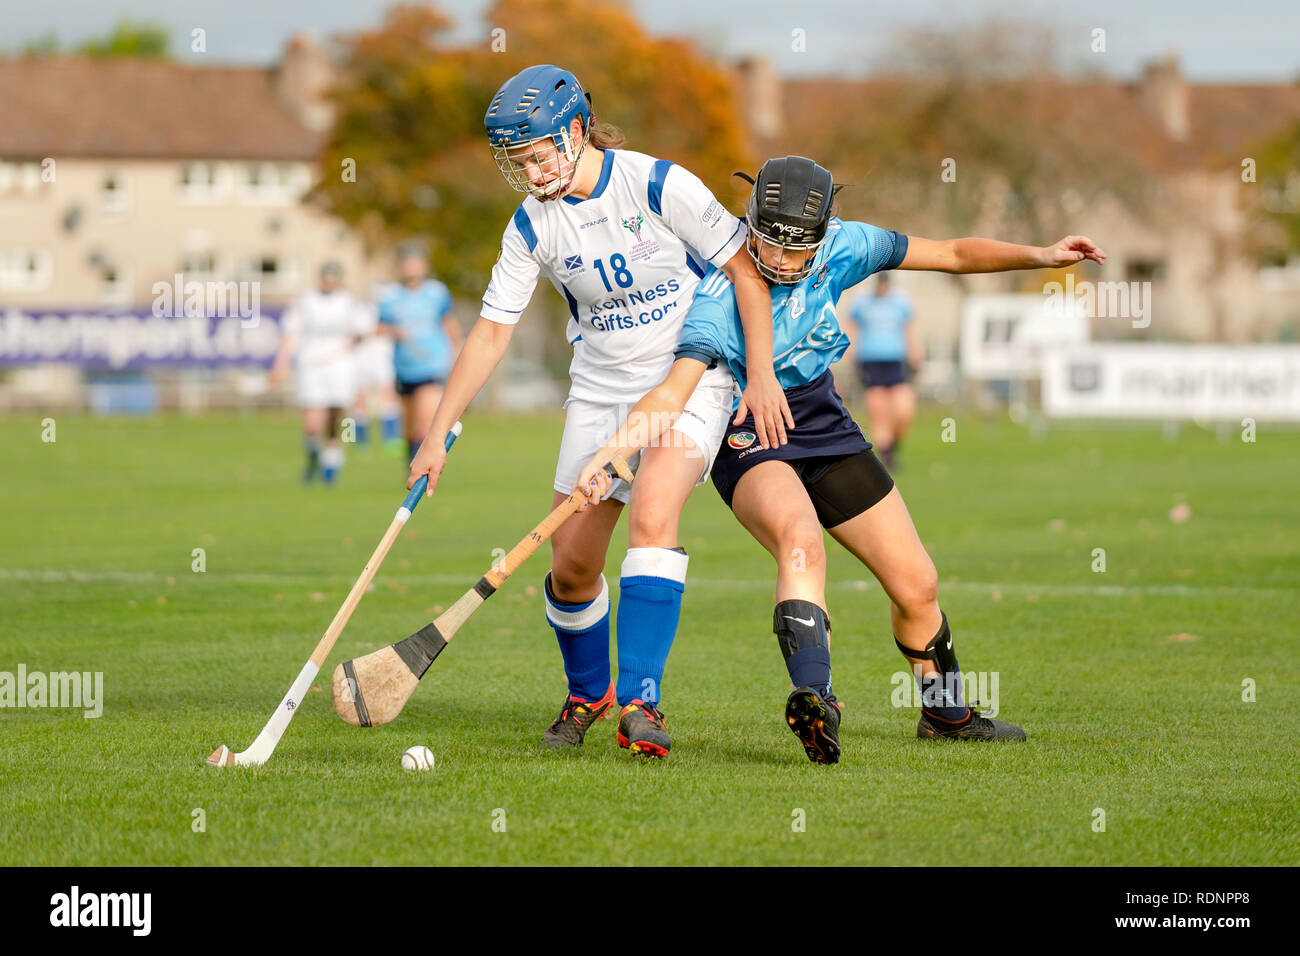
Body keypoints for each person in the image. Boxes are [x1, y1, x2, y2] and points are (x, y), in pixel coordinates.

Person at [577, 156, 1106, 763]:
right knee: (801, 541)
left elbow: (954, 254)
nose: (777, 261)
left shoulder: (845, 247)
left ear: (823, 235)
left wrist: (1041, 254)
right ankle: (816, 698)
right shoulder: (720, 293)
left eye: (794, 250)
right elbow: (674, 391)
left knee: (917, 584)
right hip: (751, 438)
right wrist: (617, 451)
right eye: (767, 243)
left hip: (825, 423)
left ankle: (945, 712)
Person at [406, 64, 791, 758]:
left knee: (652, 516)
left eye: (537, 154)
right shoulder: (531, 226)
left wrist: (758, 374)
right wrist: (437, 433)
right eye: (516, 162)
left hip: (690, 376)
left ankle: (643, 703)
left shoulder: (657, 185)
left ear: (577, 129)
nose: (529, 172)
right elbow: (492, 333)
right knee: (571, 567)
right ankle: (589, 693)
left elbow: (745, 275)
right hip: (598, 389)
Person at [269, 261, 375, 484]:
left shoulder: (350, 302)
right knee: (312, 421)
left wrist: (353, 343)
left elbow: (365, 330)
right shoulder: (305, 301)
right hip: (311, 365)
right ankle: (313, 456)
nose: (330, 281)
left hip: (341, 366)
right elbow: (290, 334)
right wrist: (281, 364)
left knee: (337, 417)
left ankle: (333, 464)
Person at [378, 244, 463, 462]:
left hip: (431, 364)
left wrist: (456, 353)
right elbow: (378, 328)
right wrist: (393, 331)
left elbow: (449, 324)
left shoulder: (436, 292)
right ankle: (411, 461)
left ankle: (421, 467)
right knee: (410, 425)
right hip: (404, 367)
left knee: (425, 420)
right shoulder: (390, 296)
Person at [848, 273, 920, 469]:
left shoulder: (900, 302)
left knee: (903, 410)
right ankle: (887, 456)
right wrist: (850, 353)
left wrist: (915, 353)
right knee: (878, 411)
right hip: (870, 361)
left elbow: (909, 329)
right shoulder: (862, 302)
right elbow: (853, 328)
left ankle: (892, 444)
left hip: (896, 361)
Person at [350, 285, 404, 458]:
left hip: (382, 359)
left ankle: (391, 439)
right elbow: (359, 333)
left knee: (388, 396)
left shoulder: (392, 309)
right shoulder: (359, 310)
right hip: (361, 360)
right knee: (360, 399)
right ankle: (360, 440)